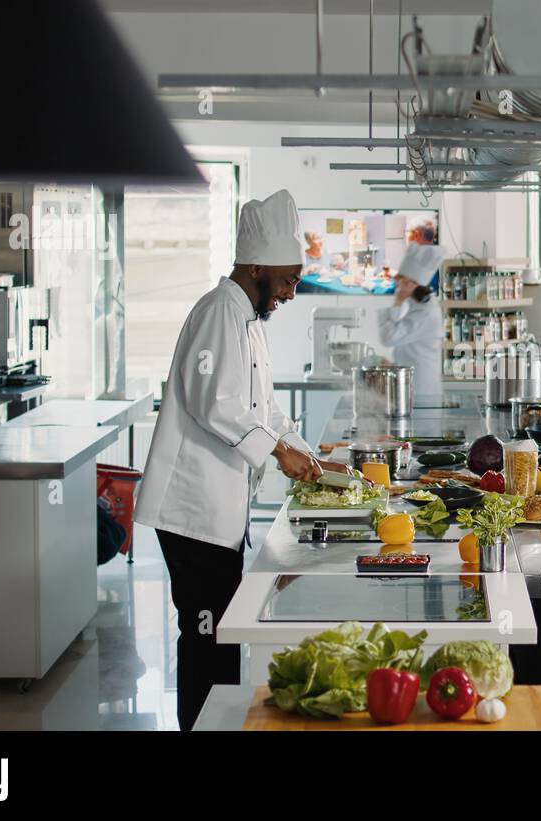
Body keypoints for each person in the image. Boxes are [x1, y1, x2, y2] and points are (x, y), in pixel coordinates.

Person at [135, 189, 350, 730]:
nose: (291, 293)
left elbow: (267, 409)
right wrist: (279, 453)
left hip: (216, 512)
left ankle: (217, 725)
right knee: (207, 633)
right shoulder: (217, 313)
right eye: (287, 280)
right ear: (255, 267)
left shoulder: (248, 321)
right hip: (190, 512)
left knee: (221, 630)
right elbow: (216, 402)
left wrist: (312, 457)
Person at [378, 241, 446, 400]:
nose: (396, 285)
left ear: (410, 284)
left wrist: (398, 300)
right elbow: (398, 322)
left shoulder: (426, 313)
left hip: (421, 390)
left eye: (399, 281)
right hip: (412, 385)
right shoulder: (417, 304)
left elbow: (388, 338)